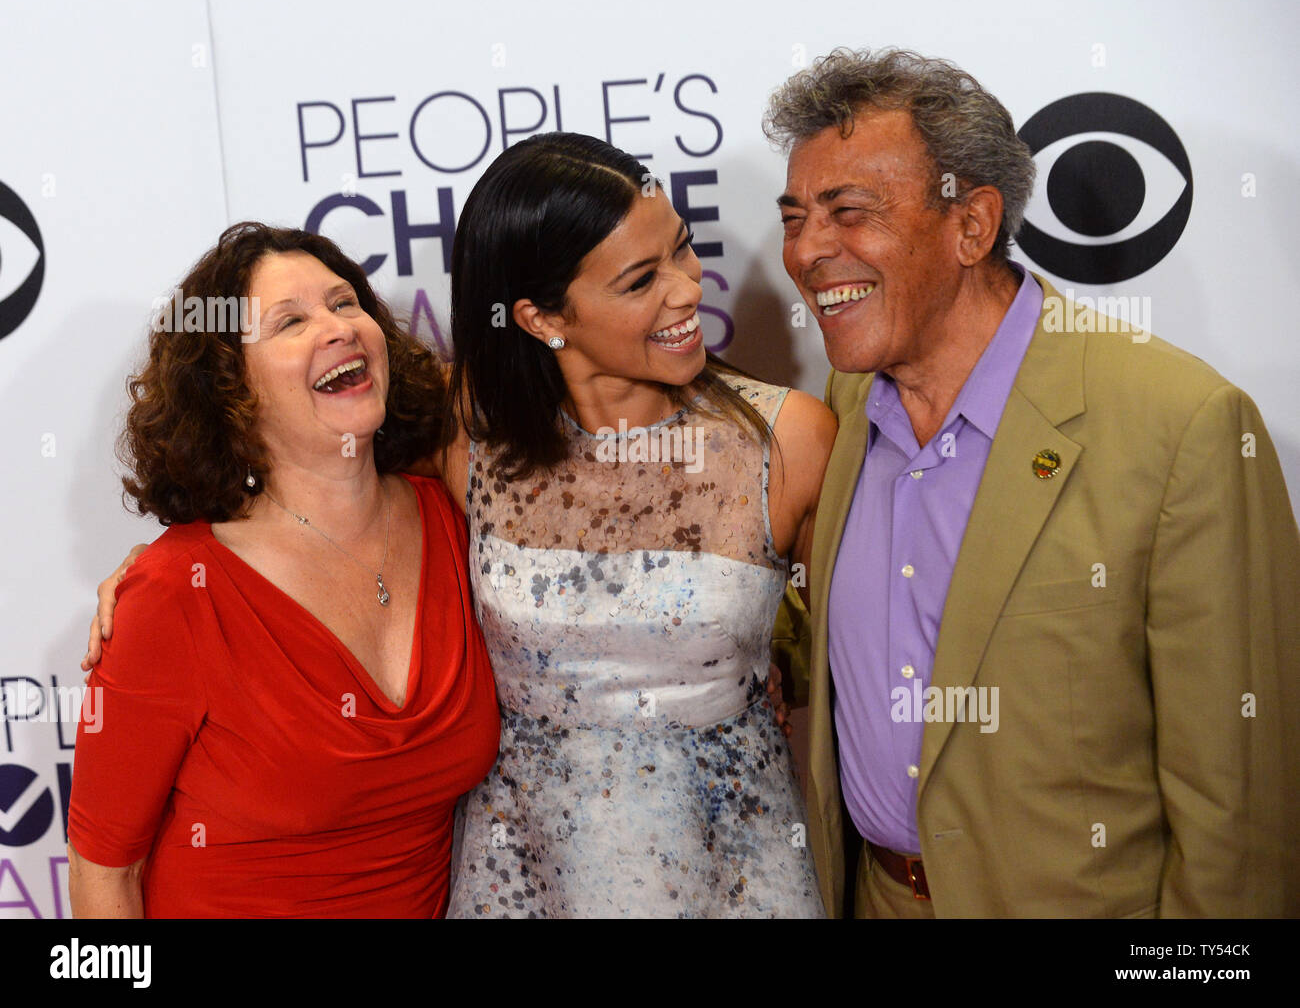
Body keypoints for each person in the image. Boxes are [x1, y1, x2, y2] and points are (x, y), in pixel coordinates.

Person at [84, 134, 838, 918]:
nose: (688, 290)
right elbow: (290, 476)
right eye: (642, 279)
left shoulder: (785, 442)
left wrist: (760, 663)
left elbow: (860, 644)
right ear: (542, 317)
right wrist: (160, 576)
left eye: (684, 251)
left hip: (739, 872)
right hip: (523, 883)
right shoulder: (466, 436)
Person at [765, 47, 1300, 917]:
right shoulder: (847, 404)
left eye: (847, 212)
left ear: (971, 226)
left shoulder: (1182, 425)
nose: (808, 251)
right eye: (794, 217)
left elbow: (1239, 807)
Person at [68, 223, 500, 917]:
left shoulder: (453, 513)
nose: (338, 328)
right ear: (231, 387)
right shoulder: (176, 592)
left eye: (346, 303)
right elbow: (103, 877)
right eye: (291, 322)